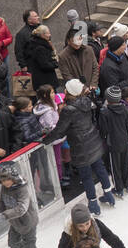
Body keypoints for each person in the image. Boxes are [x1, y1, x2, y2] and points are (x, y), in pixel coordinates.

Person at [44, 81, 116, 215]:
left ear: (70, 92)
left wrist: (45, 140)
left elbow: (60, 130)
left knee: (86, 176)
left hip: (80, 146)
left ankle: (93, 204)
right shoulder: (86, 101)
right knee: (100, 168)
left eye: (66, 89)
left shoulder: (68, 110)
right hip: (93, 140)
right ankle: (109, 195)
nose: (64, 90)